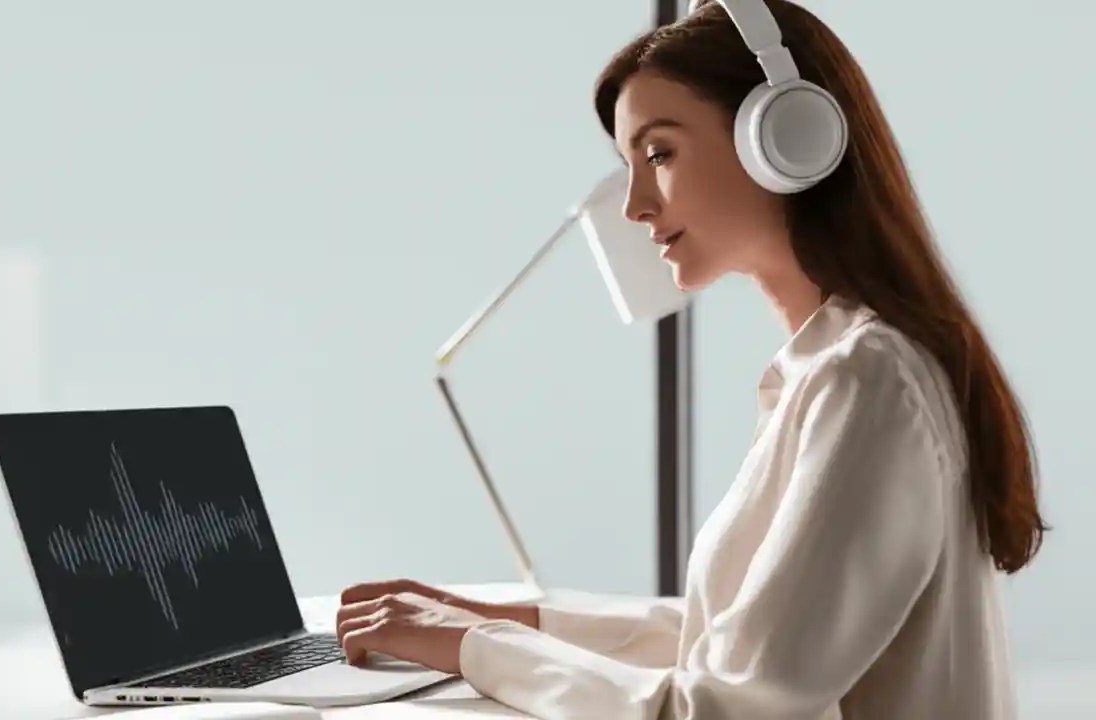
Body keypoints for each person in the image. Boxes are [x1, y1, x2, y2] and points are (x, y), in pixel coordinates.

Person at [334, 1, 1047, 717]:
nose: (634, 206)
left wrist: (476, 646)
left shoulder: (867, 379)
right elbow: (732, 637)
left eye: (659, 154)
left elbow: (725, 706)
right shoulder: (839, 365)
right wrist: (499, 624)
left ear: (786, 136)